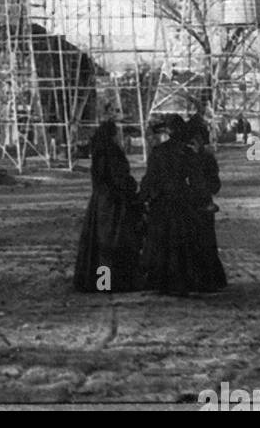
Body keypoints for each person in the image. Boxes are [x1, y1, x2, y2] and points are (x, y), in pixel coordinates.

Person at [74, 120, 143, 293]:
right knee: (111, 245)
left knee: (100, 247)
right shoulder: (112, 152)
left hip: (100, 203)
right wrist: (132, 187)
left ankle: (102, 283)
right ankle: (111, 283)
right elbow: (119, 178)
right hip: (114, 204)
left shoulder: (99, 151)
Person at [139, 115, 200, 296]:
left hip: (162, 200)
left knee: (162, 240)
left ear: (168, 131)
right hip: (181, 199)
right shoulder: (187, 152)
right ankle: (182, 280)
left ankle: (161, 280)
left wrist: (142, 197)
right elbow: (195, 179)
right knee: (181, 240)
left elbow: (150, 178)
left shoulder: (159, 151)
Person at [183, 120, 228, 292]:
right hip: (192, 205)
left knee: (205, 244)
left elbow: (214, 185)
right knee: (197, 244)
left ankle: (208, 280)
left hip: (201, 205)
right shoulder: (186, 156)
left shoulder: (204, 158)